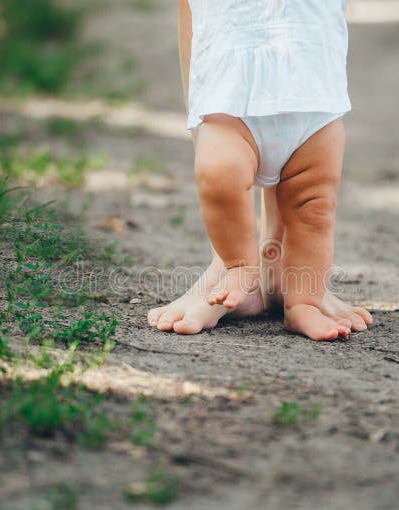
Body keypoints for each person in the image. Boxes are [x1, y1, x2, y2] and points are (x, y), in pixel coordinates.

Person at [148, 0, 372, 340]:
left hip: (315, 101)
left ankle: (303, 301)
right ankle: (237, 265)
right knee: (219, 177)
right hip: (230, 100)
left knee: (313, 210)